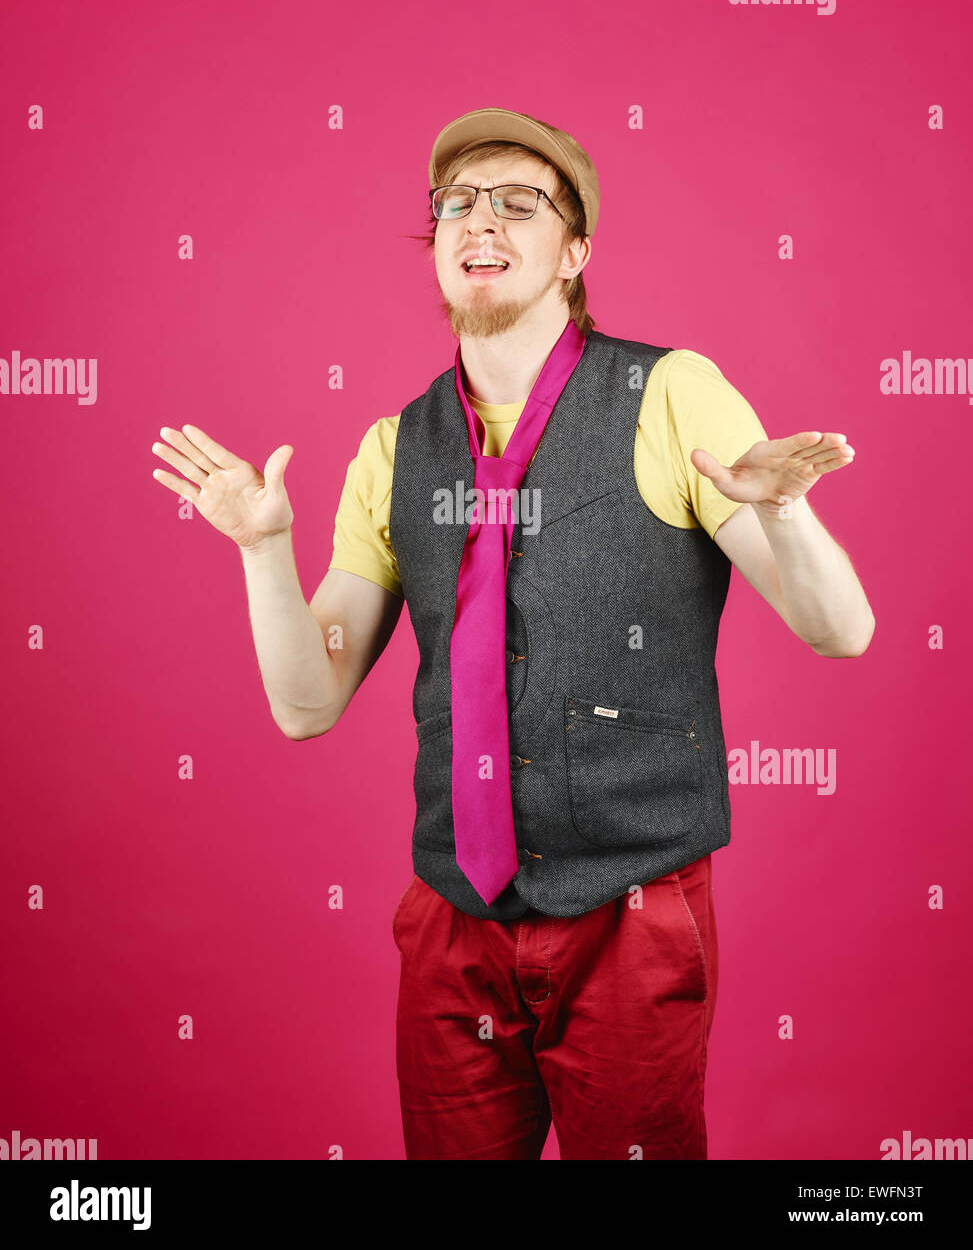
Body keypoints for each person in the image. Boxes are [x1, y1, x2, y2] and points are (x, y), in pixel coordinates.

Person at [150, 106, 875, 1161]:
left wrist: (779, 509)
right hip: (454, 921)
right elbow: (306, 704)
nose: (478, 218)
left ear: (575, 252)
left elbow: (840, 628)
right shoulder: (393, 448)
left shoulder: (673, 394)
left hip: (630, 910)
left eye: (516, 202)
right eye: (456, 203)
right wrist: (265, 549)